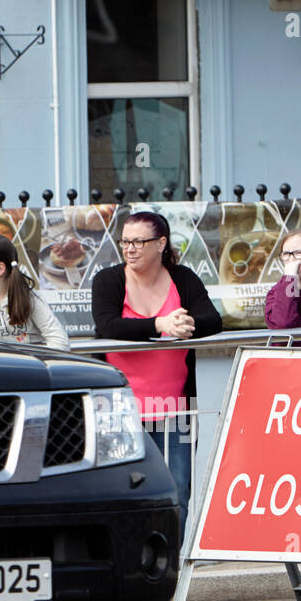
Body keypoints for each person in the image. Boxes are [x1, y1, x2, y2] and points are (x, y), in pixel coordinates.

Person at [91, 211, 222, 535]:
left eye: (139, 242)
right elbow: (108, 326)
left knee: (177, 492)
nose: (130, 248)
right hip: (119, 410)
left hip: (175, 410)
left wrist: (185, 324)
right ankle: (130, 560)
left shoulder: (183, 278)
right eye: (125, 241)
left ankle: (167, 562)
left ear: (161, 244)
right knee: (123, 494)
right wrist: (160, 324)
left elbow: (213, 320)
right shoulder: (108, 280)